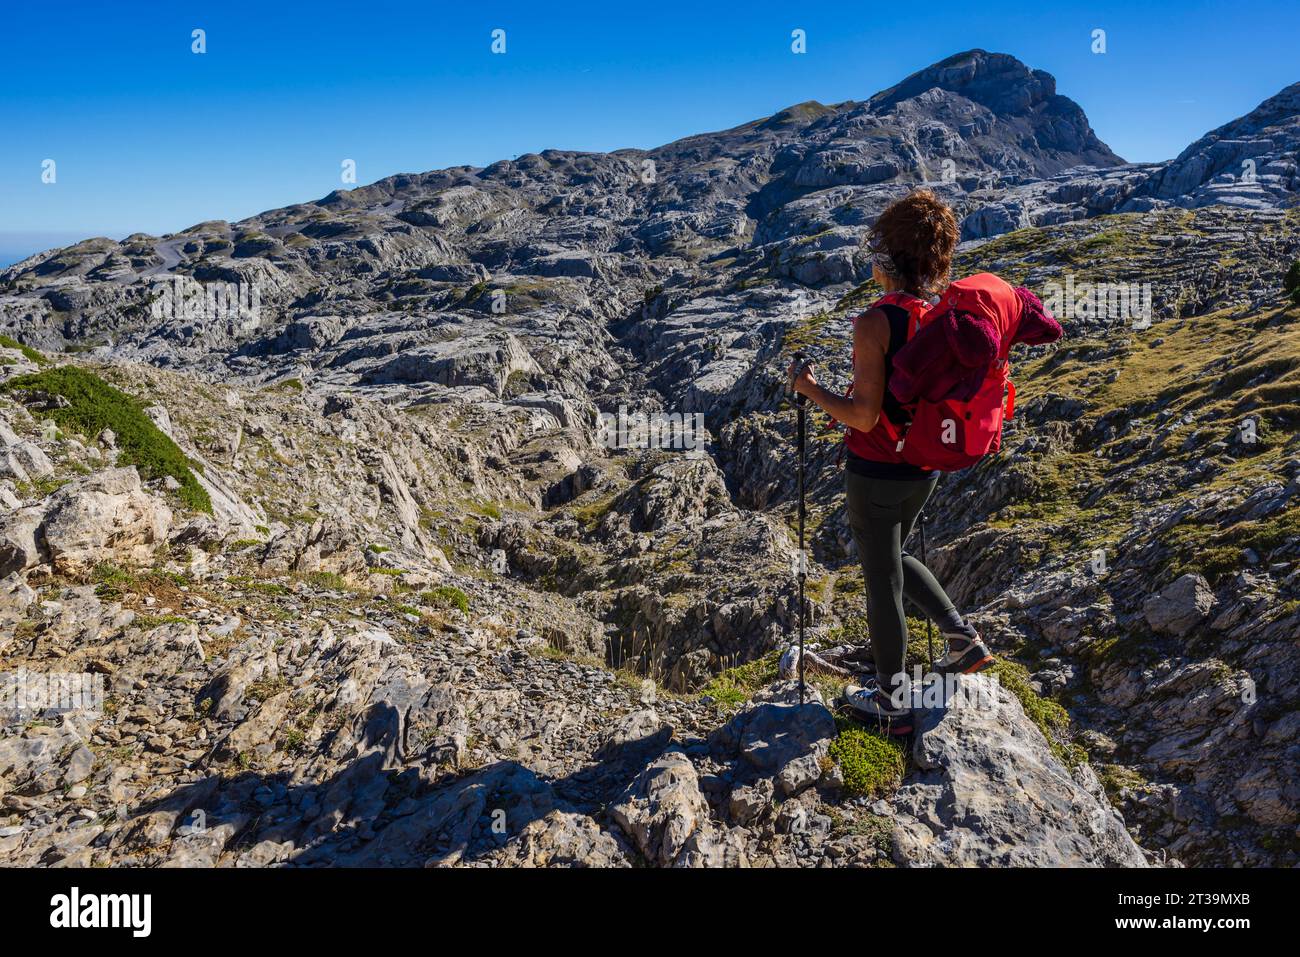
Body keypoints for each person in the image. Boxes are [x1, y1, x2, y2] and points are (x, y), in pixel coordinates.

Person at [788, 190, 993, 734]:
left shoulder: (876, 322)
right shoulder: (944, 315)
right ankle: (961, 638)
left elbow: (862, 415)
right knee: (895, 555)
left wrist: (809, 389)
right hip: (923, 464)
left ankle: (891, 698)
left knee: (881, 578)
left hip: (876, 467)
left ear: (888, 257)